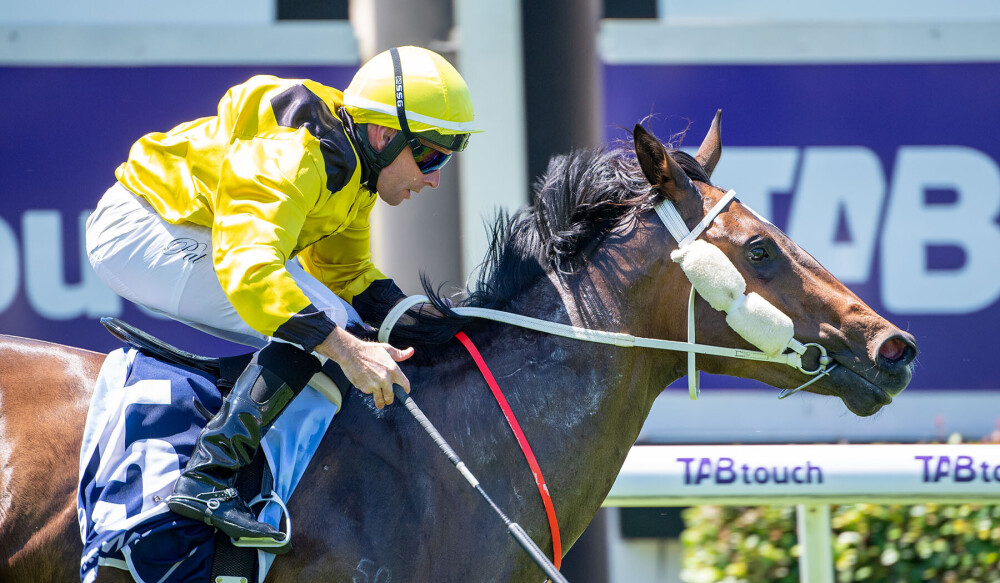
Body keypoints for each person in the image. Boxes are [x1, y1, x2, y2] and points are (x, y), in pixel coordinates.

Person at [85, 46, 479, 544]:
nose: (435, 176)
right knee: (330, 326)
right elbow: (249, 271)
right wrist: (344, 347)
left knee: (336, 322)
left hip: (195, 229)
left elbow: (347, 272)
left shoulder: (355, 165)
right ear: (384, 134)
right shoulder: (297, 157)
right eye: (429, 153)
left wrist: (434, 328)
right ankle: (207, 475)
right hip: (140, 227)